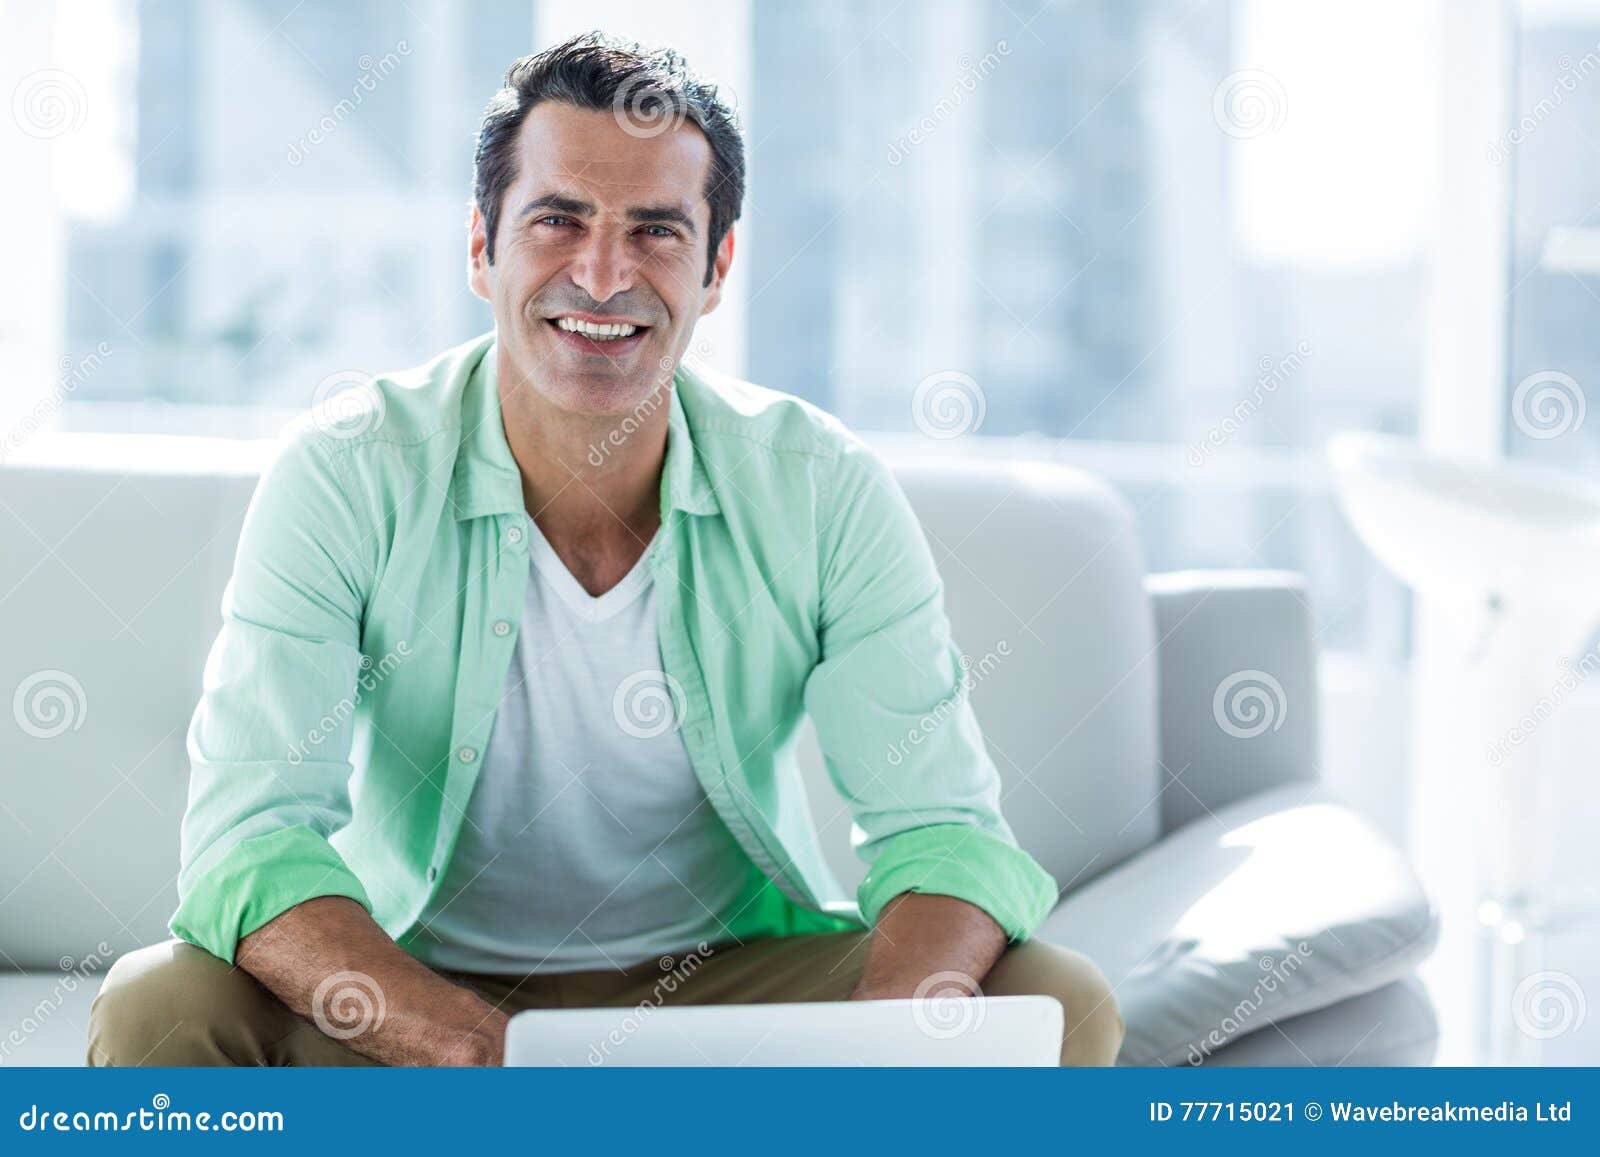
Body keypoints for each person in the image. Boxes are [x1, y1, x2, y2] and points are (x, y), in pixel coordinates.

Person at [89, 32, 1122, 1068]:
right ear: (482, 246)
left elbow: (939, 829)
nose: (601, 272)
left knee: (1050, 997)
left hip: (722, 980)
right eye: (558, 219)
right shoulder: (346, 469)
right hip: (418, 976)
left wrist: (889, 1046)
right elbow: (251, 840)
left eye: (656, 231)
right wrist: (476, 1051)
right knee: (159, 1005)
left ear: (715, 267)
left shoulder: (819, 483)